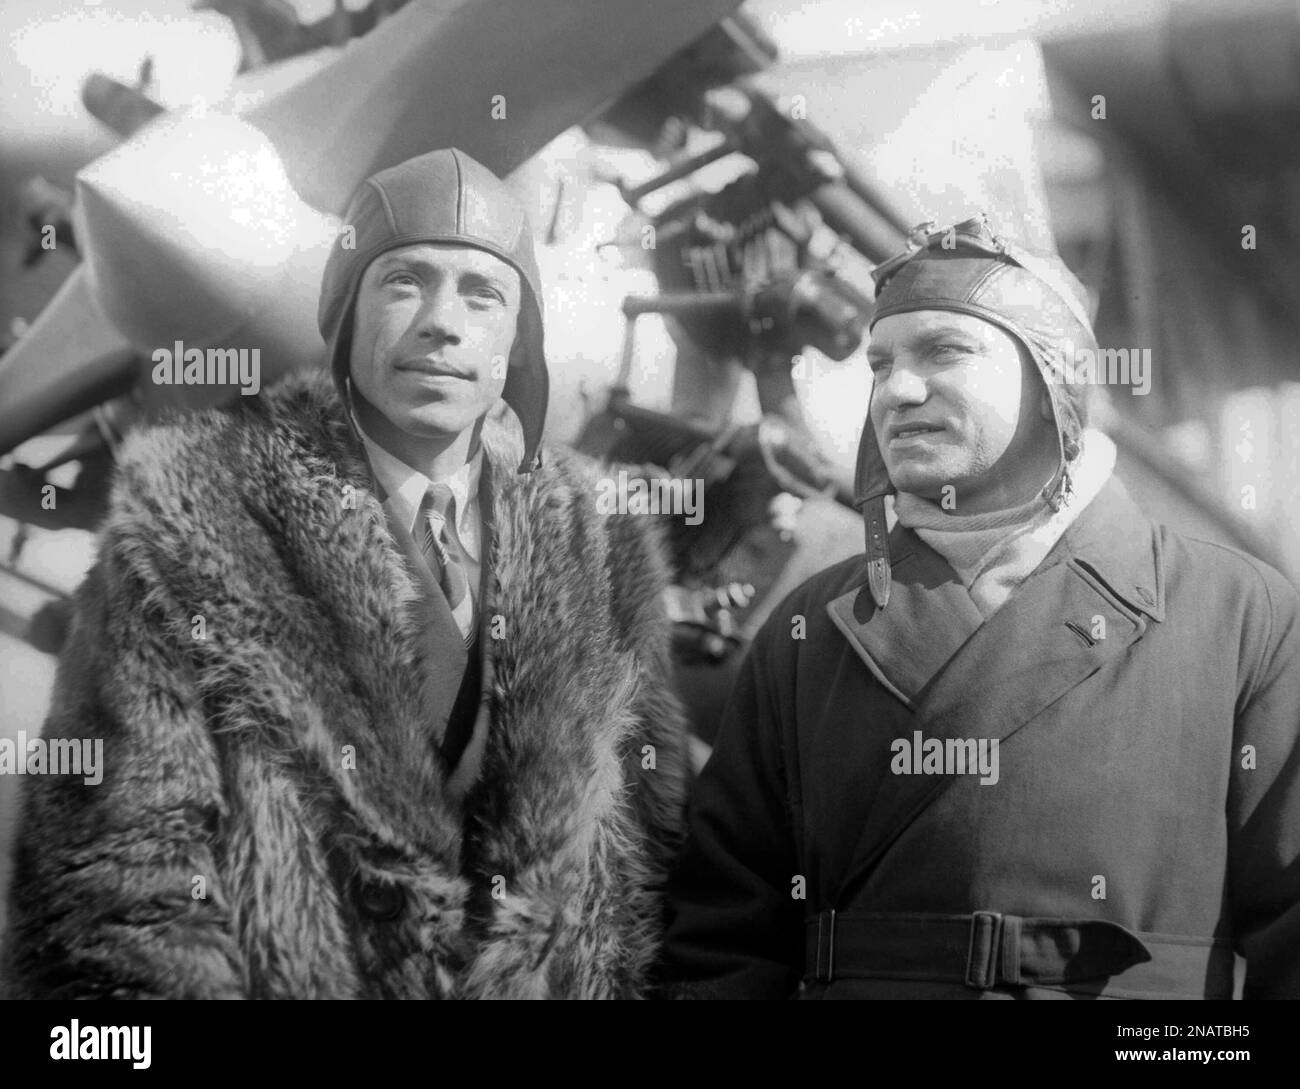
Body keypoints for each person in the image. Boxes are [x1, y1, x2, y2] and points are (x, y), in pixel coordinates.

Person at [2, 147, 687, 1000]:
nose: (444, 321)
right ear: (344, 315)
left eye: (484, 294)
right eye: (404, 282)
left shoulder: (602, 537)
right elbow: (116, 880)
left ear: (518, 338)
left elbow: (650, 856)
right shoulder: (183, 519)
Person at [658, 215, 1300, 999]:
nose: (896, 390)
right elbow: (723, 936)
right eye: (881, 362)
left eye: (944, 351)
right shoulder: (810, 627)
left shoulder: (1241, 617)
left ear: (1052, 380)